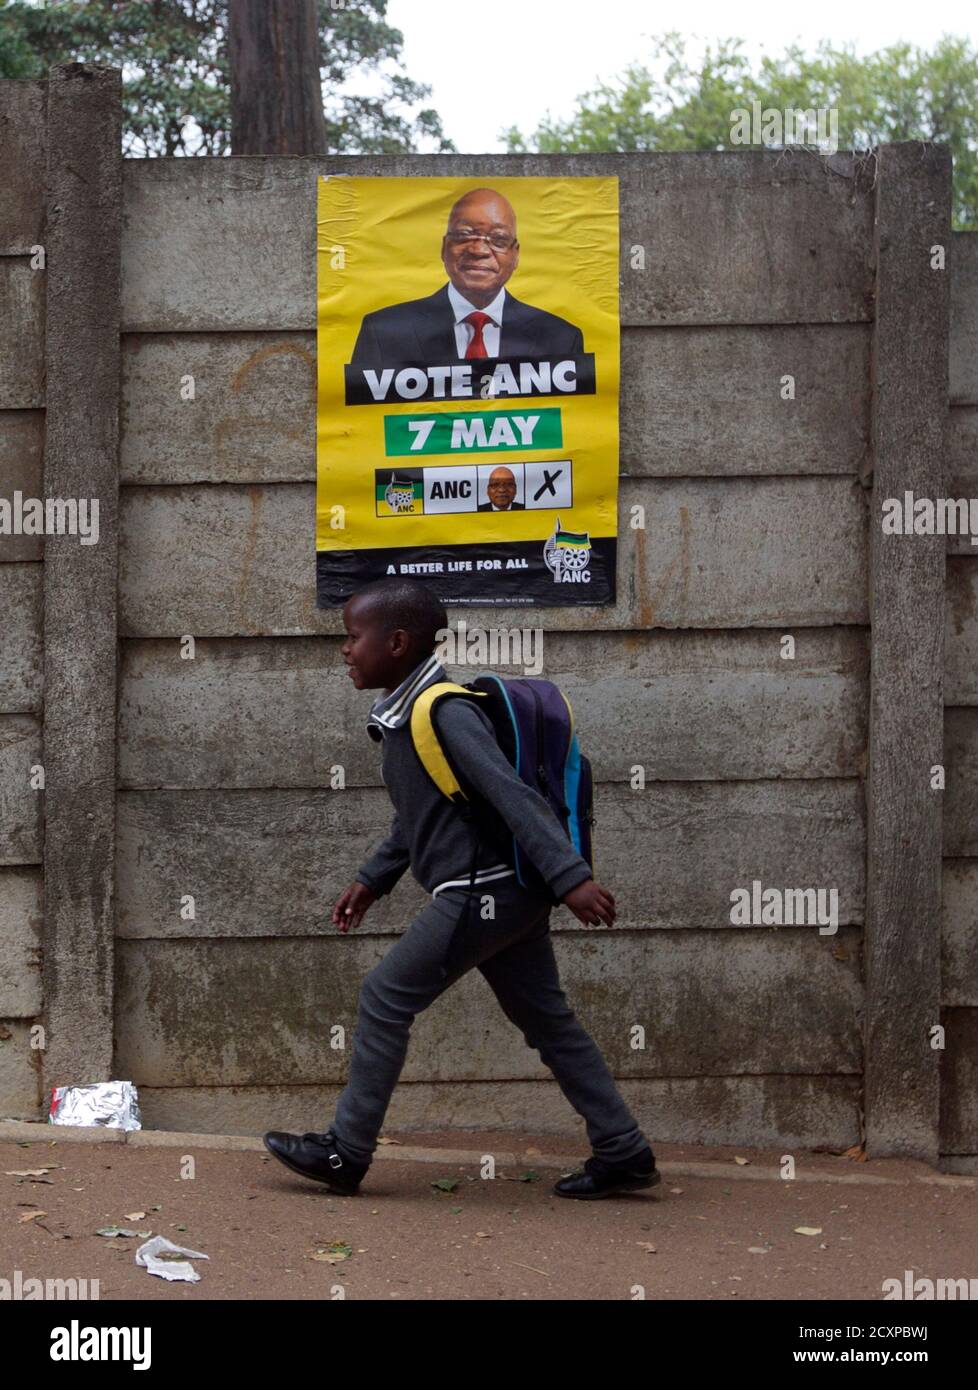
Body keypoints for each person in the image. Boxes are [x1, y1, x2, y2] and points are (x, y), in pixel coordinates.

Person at [263, 577, 659, 1200]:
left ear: (396, 643)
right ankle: (624, 1150)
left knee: (385, 996)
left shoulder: (444, 710)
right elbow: (423, 818)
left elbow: (511, 794)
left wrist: (572, 877)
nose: (345, 650)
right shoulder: (405, 715)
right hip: (504, 896)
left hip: (483, 893)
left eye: (353, 637)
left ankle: (346, 1152)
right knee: (548, 1021)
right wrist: (372, 880)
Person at [350, 187, 585, 366]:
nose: (479, 250)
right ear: (444, 248)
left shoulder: (562, 339)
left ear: (515, 256)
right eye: (464, 235)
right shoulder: (382, 333)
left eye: (499, 240)